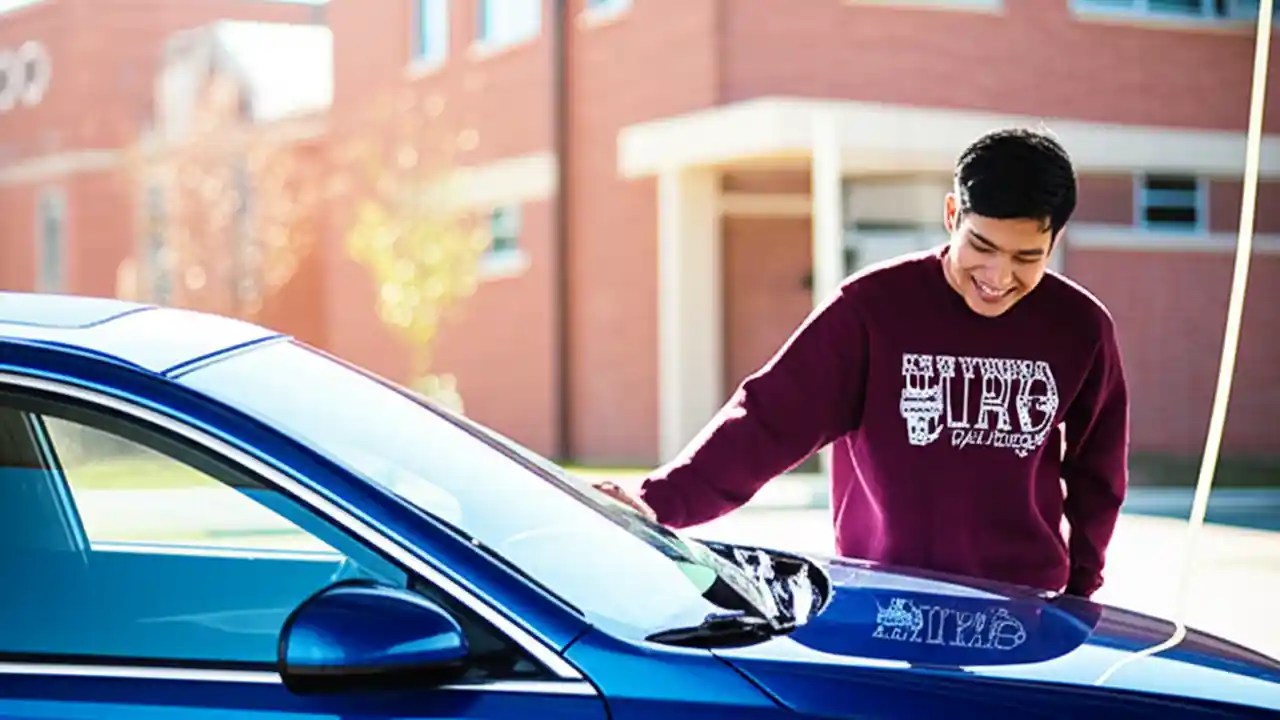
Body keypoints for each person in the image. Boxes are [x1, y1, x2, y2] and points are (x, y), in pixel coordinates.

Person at [597, 127, 1130, 599]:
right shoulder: (872, 309)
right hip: (883, 597)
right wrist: (655, 503)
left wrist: (1080, 590)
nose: (997, 275)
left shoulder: (1080, 327)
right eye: (982, 246)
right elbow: (767, 420)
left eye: (1025, 257)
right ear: (952, 215)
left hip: (1022, 604)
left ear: (1054, 240)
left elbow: (1097, 474)